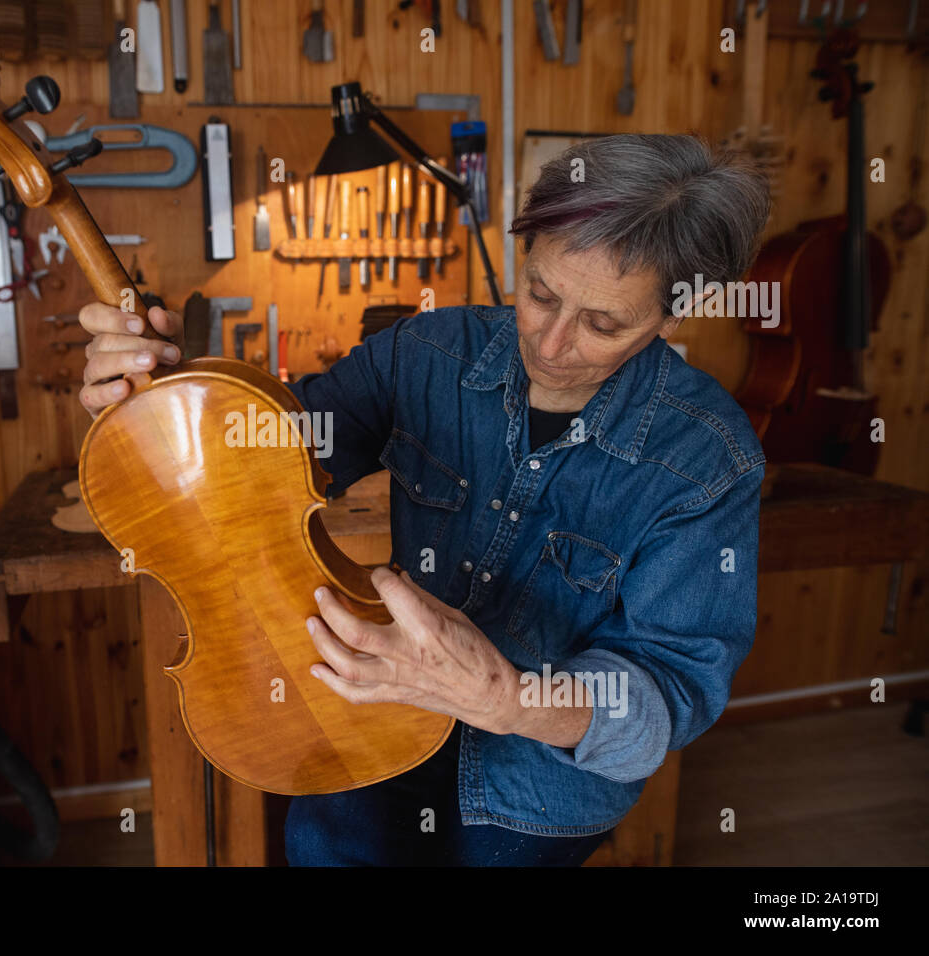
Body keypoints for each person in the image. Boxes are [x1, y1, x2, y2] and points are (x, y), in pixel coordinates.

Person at [76, 134, 772, 866]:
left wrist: (507, 699)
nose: (553, 341)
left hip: (536, 784)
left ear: (673, 315)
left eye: (603, 324)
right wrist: (157, 403)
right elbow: (251, 466)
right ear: (527, 247)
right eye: (539, 292)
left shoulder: (708, 458)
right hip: (366, 719)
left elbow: (674, 689)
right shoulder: (426, 351)